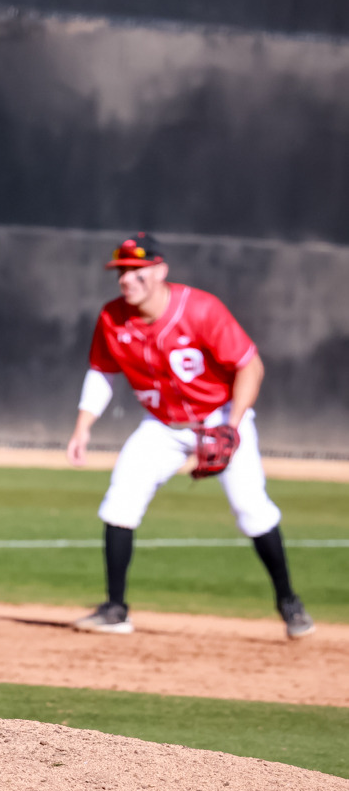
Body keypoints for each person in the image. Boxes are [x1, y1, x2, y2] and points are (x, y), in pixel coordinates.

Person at [65, 233, 313, 639]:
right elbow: (102, 372)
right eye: (122, 271)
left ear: (160, 270)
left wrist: (231, 427)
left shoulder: (200, 309)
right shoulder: (112, 317)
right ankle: (115, 609)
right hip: (163, 424)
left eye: (137, 270)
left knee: (252, 509)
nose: (127, 278)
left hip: (219, 416)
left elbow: (250, 366)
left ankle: (289, 603)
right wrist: (82, 427)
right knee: (120, 502)